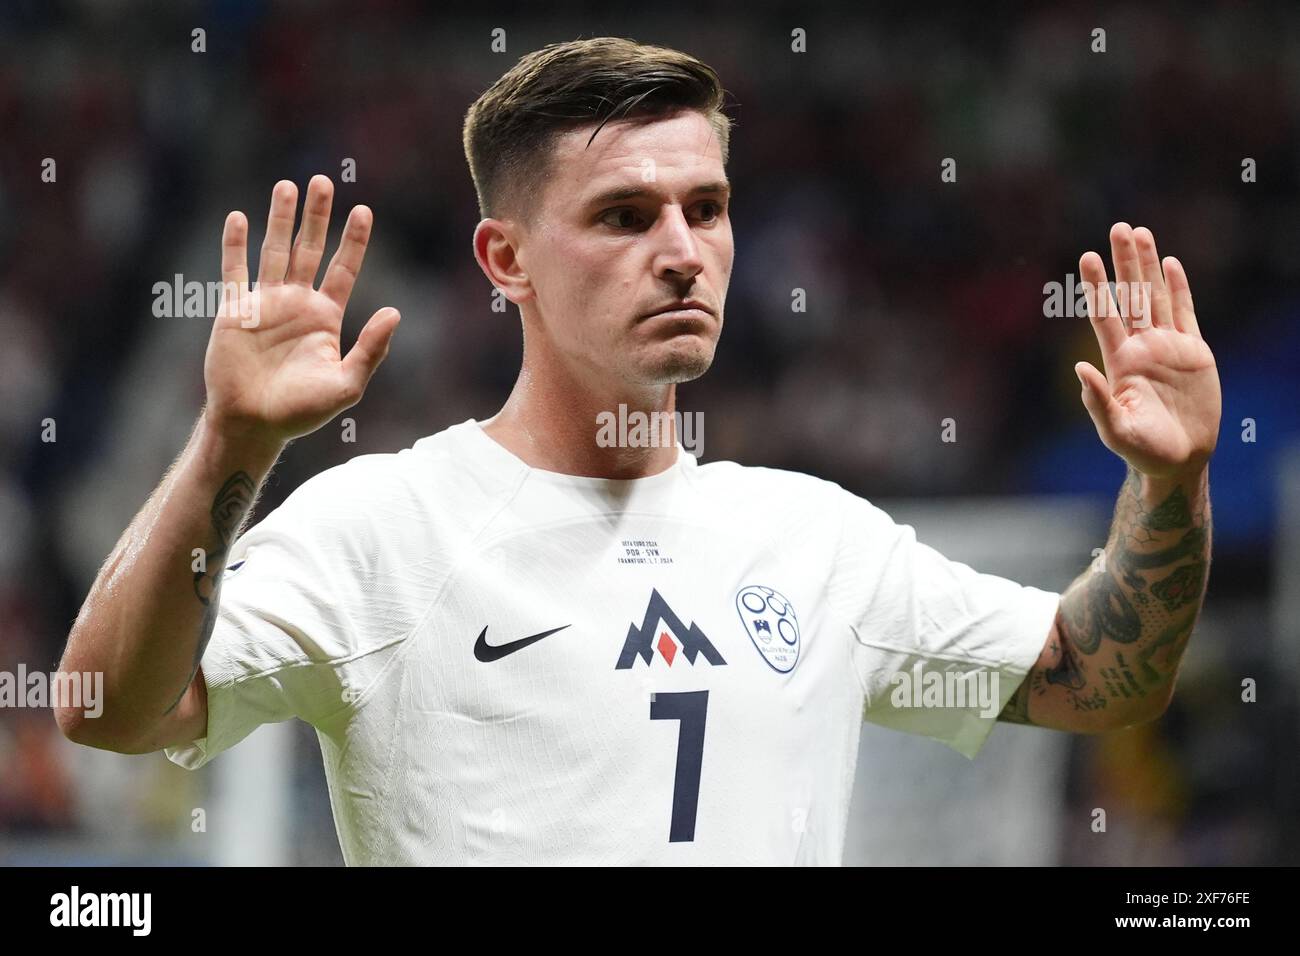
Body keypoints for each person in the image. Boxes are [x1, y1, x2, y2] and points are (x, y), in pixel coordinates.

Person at [56, 37, 1221, 864]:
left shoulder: (815, 540)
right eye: (623, 215)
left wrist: (1168, 485)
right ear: (505, 259)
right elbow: (106, 706)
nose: (681, 250)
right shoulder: (384, 528)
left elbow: (1096, 678)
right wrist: (229, 440)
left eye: (705, 208)